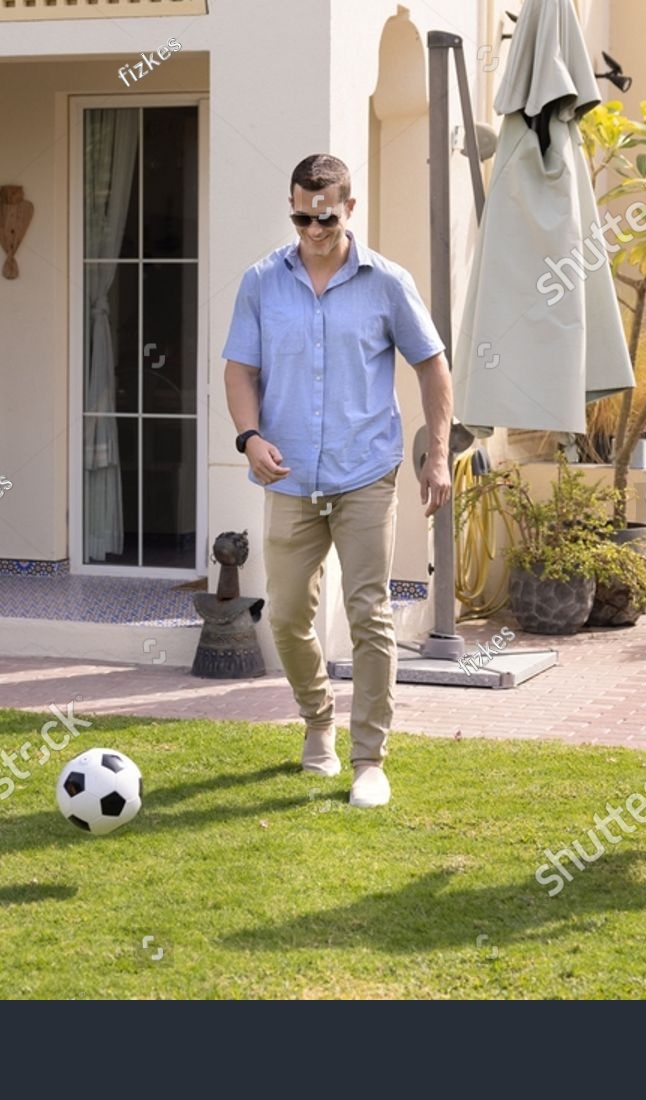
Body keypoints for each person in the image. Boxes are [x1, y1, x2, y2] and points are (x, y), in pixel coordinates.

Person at [222, 154, 455, 808]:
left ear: (349, 209)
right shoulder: (263, 282)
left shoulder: (387, 283)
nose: (312, 228)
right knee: (289, 613)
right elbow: (239, 370)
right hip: (288, 476)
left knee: (368, 613)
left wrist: (436, 455)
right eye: (300, 216)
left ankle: (369, 759)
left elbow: (434, 368)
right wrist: (249, 436)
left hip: (364, 475)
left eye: (323, 217)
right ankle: (317, 720)